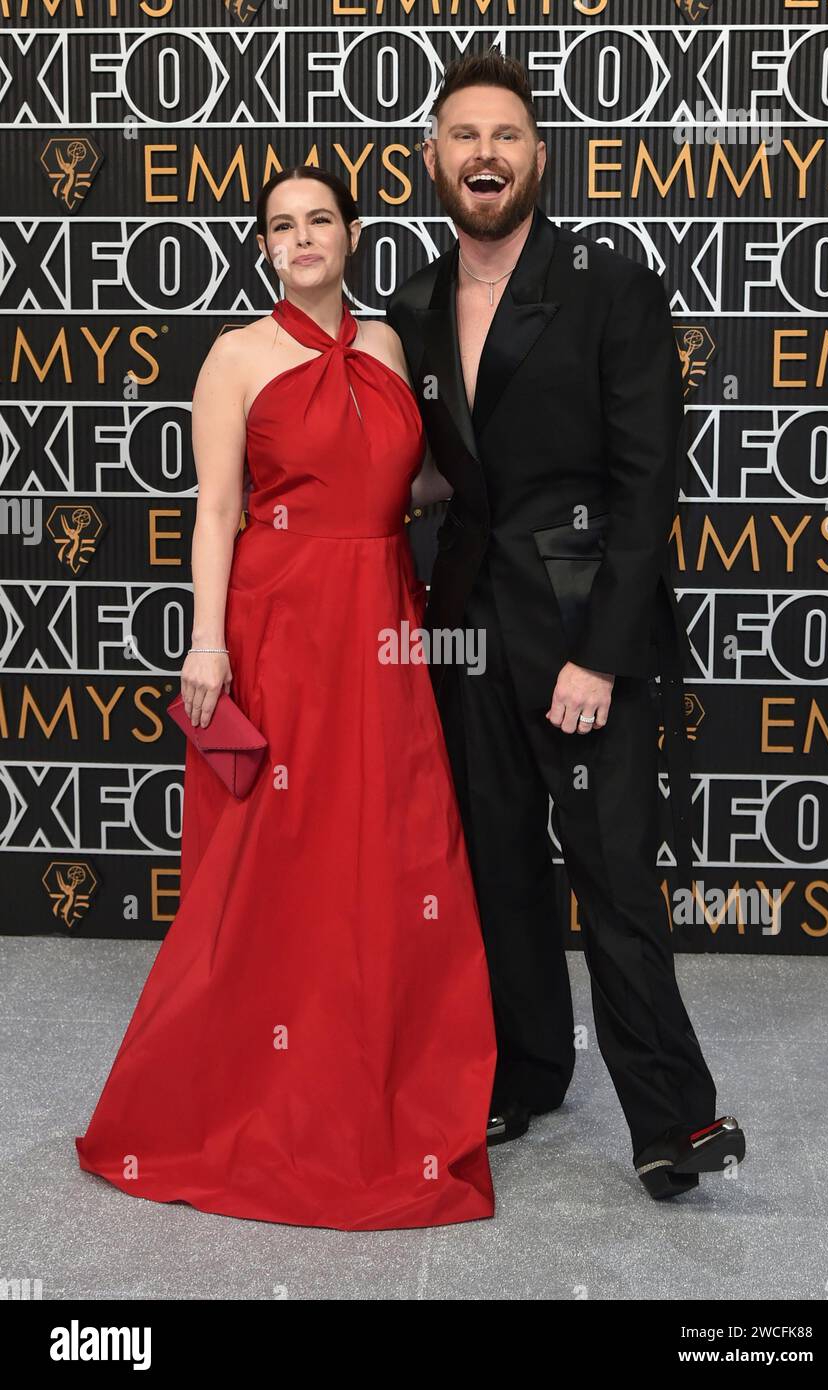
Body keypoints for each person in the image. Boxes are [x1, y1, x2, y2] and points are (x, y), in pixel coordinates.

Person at [75, 168, 498, 1230]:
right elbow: (216, 508)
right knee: (269, 859)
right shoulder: (235, 357)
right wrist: (207, 645)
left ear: (352, 235)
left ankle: (371, 1079)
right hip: (279, 622)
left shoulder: (393, 346)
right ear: (264, 246)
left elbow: (400, 482)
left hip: (382, 618)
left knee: (390, 851)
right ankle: (241, 1088)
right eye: (281, 226)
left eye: (319, 220)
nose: (301, 238)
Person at [386, 50, 746, 1199]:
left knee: (615, 880)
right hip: (466, 631)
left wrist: (597, 650)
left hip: (585, 625)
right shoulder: (413, 301)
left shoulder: (611, 287)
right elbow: (446, 475)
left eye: (503, 134)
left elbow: (647, 488)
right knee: (496, 872)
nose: (482, 154)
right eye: (461, 136)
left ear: (536, 155)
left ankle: (671, 1121)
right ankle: (523, 1071)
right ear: (431, 158)